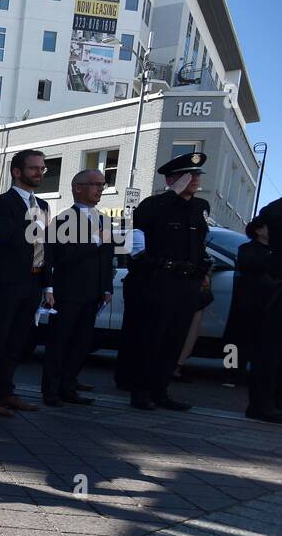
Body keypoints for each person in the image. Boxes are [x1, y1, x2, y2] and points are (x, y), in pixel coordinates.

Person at [126, 152, 212, 412]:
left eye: (197, 175)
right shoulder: (155, 205)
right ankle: (141, 392)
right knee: (152, 338)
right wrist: (171, 194)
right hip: (160, 281)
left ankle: (160, 391)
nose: (196, 179)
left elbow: (199, 243)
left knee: (174, 339)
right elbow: (138, 230)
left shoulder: (199, 208)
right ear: (173, 178)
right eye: (190, 174)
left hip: (187, 284)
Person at [0, 149, 53, 417]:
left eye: (42, 168)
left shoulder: (43, 205)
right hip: (7, 282)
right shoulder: (2, 202)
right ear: (17, 171)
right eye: (34, 168)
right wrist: (33, 221)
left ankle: (5, 392)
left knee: (18, 341)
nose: (39, 172)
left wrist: (48, 286)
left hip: (33, 281)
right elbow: (7, 238)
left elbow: (45, 247)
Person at [40, 170, 113, 406]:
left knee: (81, 344)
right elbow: (61, 256)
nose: (100, 189)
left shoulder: (103, 219)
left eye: (102, 184)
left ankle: (68, 387)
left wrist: (107, 288)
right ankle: (51, 390)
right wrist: (94, 240)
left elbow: (107, 257)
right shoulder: (63, 220)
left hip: (93, 293)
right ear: (77, 188)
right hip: (68, 292)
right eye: (95, 184)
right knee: (59, 343)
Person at [224, 217, 282, 421]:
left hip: (268, 306)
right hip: (247, 304)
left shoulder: (274, 250)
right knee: (237, 342)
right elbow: (249, 266)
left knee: (260, 347)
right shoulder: (247, 248)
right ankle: (230, 373)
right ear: (258, 230)